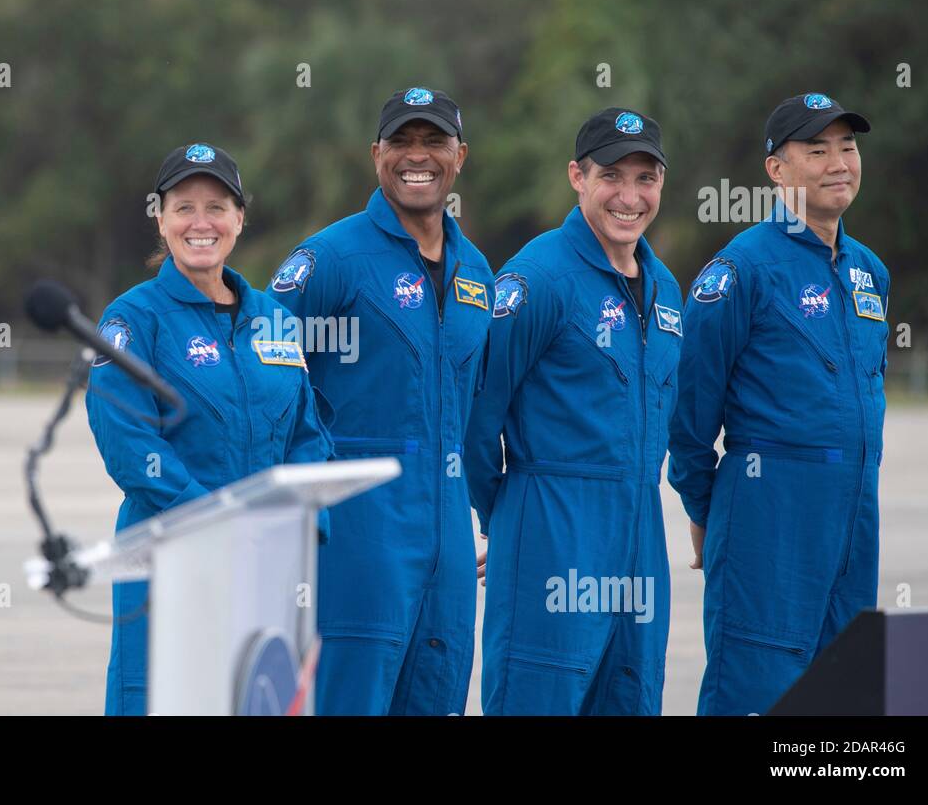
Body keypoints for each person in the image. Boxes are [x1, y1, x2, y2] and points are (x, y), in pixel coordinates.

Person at [268, 88, 493, 715]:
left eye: (434, 143)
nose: (416, 156)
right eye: (402, 142)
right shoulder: (331, 259)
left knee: (436, 699)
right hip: (356, 530)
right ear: (376, 155)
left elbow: (477, 411)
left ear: (460, 157)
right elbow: (260, 371)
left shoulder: (476, 273)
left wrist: (487, 514)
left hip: (448, 544)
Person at [87, 142, 332, 716]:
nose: (202, 222)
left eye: (217, 207)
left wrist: (293, 519)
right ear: (161, 218)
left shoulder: (275, 319)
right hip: (169, 559)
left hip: (269, 561)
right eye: (184, 207)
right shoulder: (132, 320)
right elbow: (129, 441)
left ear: (240, 218)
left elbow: (309, 434)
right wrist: (216, 523)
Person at [669, 93, 886, 715]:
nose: (839, 162)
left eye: (847, 147)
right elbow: (689, 417)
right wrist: (713, 512)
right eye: (816, 150)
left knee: (845, 699)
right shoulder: (742, 270)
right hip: (769, 518)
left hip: (854, 517)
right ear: (776, 170)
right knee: (759, 692)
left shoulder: (868, 271)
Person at [466, 108, 680, 715]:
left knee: (632, 695)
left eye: (647, 178)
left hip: (640, 530)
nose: (630, 196)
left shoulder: (666, 289)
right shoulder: (538, 279)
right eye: (612, 175)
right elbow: (480, 416)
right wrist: (509, 517)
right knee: (541, 695)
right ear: (577, 178)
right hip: (553, 530)